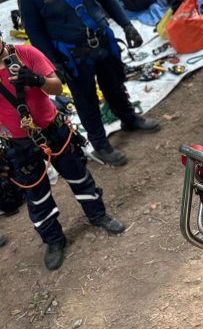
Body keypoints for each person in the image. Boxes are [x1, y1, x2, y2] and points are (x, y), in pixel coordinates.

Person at [18, 0, 161, 167]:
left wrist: (127, 25)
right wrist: (51, 64)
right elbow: (35, 31)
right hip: (71, 53)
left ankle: (129, 119)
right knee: (85, 98)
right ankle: (100, 144)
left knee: (114, 83)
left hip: (102, 39)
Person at [0, 32, 125, 270]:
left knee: (78, 175)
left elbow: (57, 88)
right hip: (19, 144)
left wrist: (36, 80)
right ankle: (54, 240)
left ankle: (98, 215)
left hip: (54, 131)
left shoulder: (26, 54)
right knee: (37, 196)